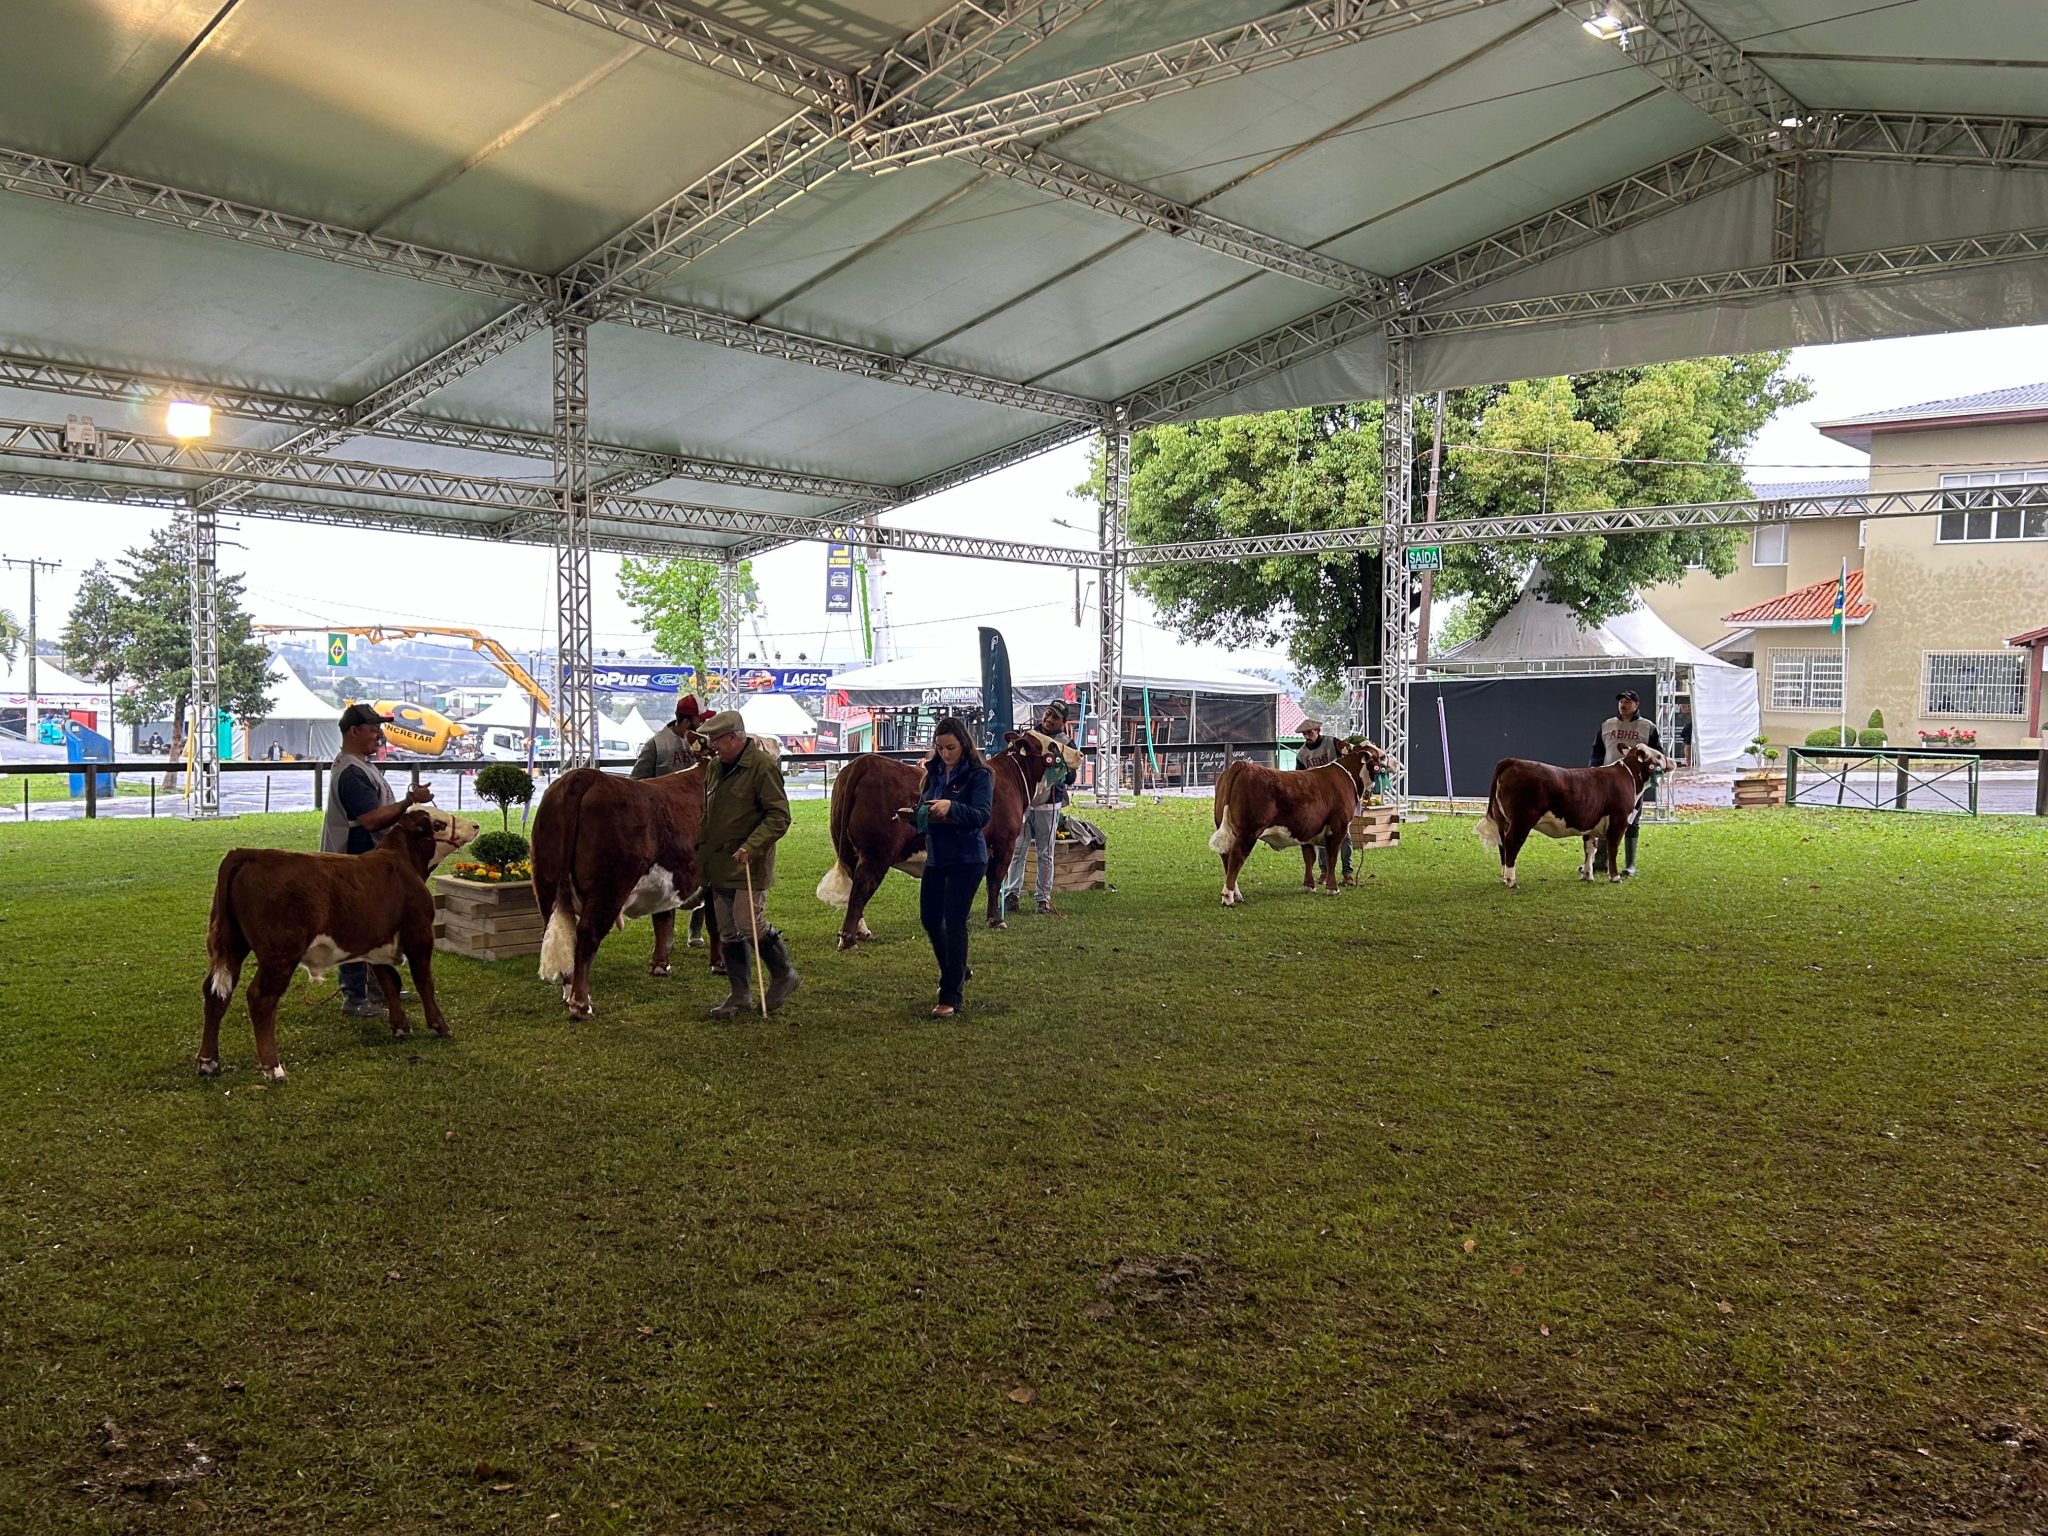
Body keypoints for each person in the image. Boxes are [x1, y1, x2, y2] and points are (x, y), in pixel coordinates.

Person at [322, 702, 434, 1018]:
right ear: (353, 731)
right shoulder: (352, 772)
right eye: (373, 730)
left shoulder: (359, 765)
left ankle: (375, 989)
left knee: (372, 925)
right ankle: (355, 997)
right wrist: (409, 802)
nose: (379, 736)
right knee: (356, 928)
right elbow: (370, 820)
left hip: (365, 858)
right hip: (355, 857)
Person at [697, 709, 797, 1018]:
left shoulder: (762, 767)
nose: (712, 745)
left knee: (749, 922)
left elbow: (779, 816)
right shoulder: (714, 767)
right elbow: (710, 813)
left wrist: (751, 846)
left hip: (748, 864)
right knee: (727, 930)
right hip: (717, 863)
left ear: (734, 738)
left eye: (716, 739)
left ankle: (784, 975)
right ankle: (740, 994)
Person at [917, 716, 994, 1020]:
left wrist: (952, 807)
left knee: (955, 919)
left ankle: (951, 994)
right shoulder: (933, 771)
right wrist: (917, 813)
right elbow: (925, 803)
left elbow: (982, 815)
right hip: (937, 856)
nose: (945, 753)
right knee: (930, 918)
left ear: (963, 744)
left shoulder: (979, 775)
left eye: (950, 747)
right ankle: (958, 968)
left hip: (967, 858)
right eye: (940, 747)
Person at [1002, 699, 1072, 915]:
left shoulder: (1066, 743)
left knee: (1045, 852)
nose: (1049, 720)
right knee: (1016, 849)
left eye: (1055, 718)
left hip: (1048, 804)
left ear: (1063, 722)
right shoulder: (1029, 737)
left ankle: (1043, 899)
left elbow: (1071, 776)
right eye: (1048, 714)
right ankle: (1011, 894)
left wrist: (1060, 768)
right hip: (1024, 802)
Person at [1589, 689, 1664, 877]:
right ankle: (1601, 861)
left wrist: (1651, 775)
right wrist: (1593, 770)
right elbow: (1597, 751)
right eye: (1621, 701)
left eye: (1628, 701)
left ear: (1637, 705)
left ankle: (1630, 864)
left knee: (1631, 821)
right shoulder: (1607, 725)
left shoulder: (1648, 727)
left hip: (1632, 784)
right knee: (1603, 820)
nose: (1623, 704)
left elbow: (1658, 755)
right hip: (1606, 781)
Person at [1293, 718, 1355, 886]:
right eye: (1304, 734)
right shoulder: (1302, 754)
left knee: (1344, 834)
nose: (1307, 736)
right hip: (1318, 797)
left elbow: (1349, 754)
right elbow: (1300, 777)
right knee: (1320, 834)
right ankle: (1325, 871)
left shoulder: (1332, 743)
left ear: (1318, 730)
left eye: (1310, 732)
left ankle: (1347, 872)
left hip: (1338, 794)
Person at [630, 692, 710, 780]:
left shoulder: (705, 742)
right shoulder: (656, 745)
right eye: (701, 721)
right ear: (686, 722)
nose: (704, 725)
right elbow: (636, 783)